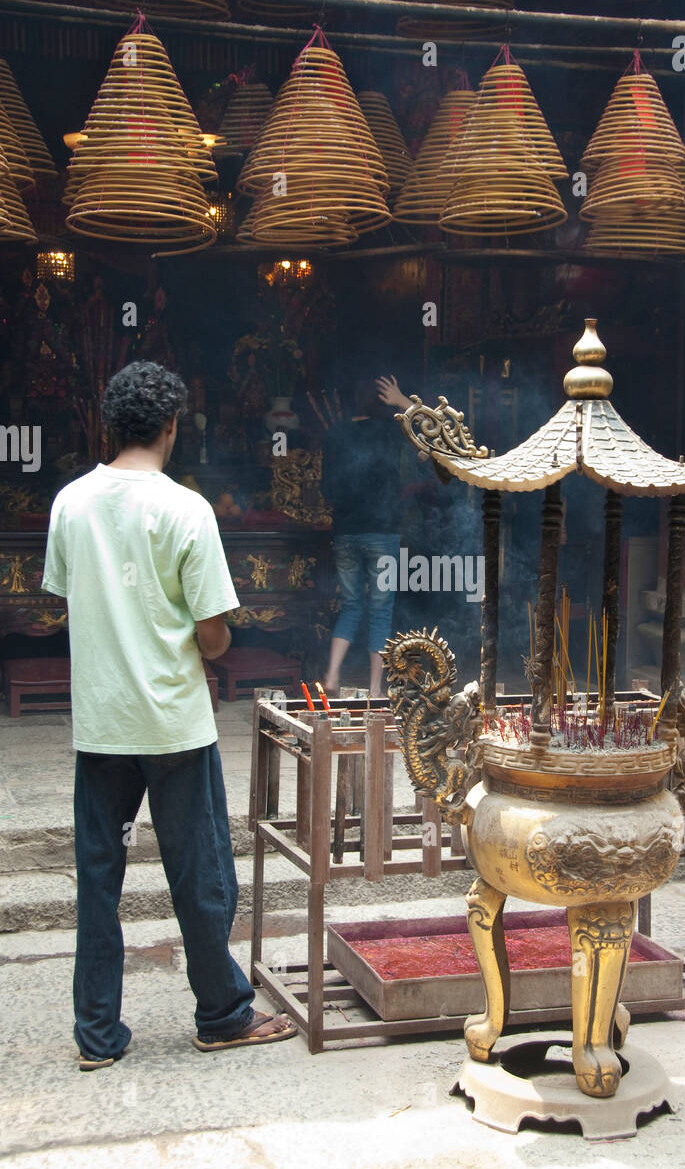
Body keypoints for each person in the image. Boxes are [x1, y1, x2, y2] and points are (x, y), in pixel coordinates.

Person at [42, 361, 295, 1069]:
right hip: (175, 725)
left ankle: (97, 1035)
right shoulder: (186, 509)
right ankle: (220, 1014)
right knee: (200, 873)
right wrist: (197, 635)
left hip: (102, 724)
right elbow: (214, 634)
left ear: (109, 423)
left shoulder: (70, 503)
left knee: (99, 876)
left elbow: (70, 600)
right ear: (173, 425)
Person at [321, 373, 412, 698]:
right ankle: (375, 690)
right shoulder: (390, 430)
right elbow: (433, 427)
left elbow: (326, 488)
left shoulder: (335, 435)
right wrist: (403, 402)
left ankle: (332, 676)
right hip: (382, 533)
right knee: (381, 608)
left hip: (346, 532)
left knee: (351, 604)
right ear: (382, 402)